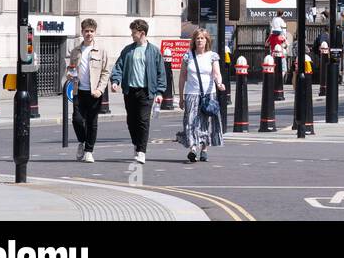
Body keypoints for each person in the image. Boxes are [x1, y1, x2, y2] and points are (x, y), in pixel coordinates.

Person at [109, 19, 166, 163]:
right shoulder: (128, 50)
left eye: (134, 33)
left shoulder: (153, 51)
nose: (132, 35)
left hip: (147, 91)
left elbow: (161, 72)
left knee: (143, 121)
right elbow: (119, 66)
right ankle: (136, 143)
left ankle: (141, 151)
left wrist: (159, 92)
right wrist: (115, 81)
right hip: (130, 90)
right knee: (131, 121)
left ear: (142, 33)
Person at [63, 18, 111, 163]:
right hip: (78, 90)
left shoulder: (101, 51)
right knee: (77, 119)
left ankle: (89, 151)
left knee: (91, 121)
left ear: (94, 32)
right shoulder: (76, 51)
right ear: (82, 32)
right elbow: (71, 69)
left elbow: (105, 72)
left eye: (91, 31)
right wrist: (69, 74)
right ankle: (82, 142)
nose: (89, 34)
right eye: (86, 31)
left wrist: (100, 89)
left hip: (94, 92)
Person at [177, 27, 226, 162]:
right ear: (194, 40)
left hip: (208, 95)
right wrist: (181, 97)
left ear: (206, 40)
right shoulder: (188, 56)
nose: (199, 40)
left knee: (205, 123)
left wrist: (219, 83)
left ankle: (204, 148)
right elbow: (182, 77)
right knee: (190, 122)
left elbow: (216, 73)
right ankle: (193, 148)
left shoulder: (212, 56)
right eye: (197, 38)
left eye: (202, 38)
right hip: (191, 94)